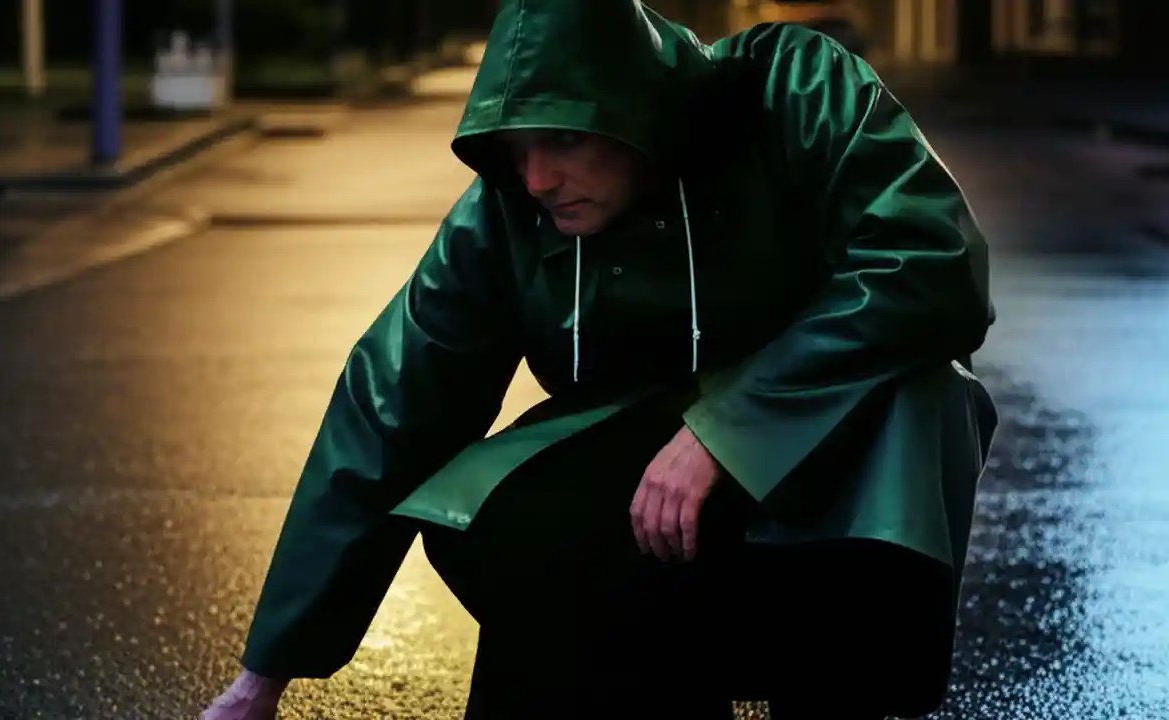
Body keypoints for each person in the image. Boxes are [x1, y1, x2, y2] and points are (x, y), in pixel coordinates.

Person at [200, 1, 999, 718]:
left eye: (565, 139)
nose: (538, 178)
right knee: (498, 516)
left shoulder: (794, 89)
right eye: (518, 150)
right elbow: (391, 398)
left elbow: (931, 259)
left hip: (835, 468)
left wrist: (730, 430)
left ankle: (829, 684)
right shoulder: (514, 205)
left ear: (634, 110)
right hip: (656, 504)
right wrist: (265, 674)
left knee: (920, 389)